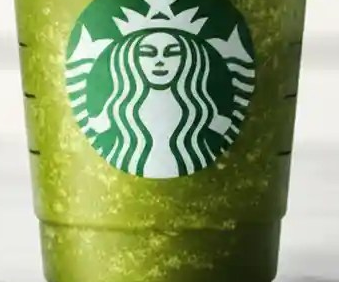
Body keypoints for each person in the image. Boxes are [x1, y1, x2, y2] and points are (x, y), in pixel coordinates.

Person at [87, 29, 234, 178]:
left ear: (185, 61)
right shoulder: (115, 110)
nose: (159, 61)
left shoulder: (203, 112)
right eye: (148, 53)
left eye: (171, 53)